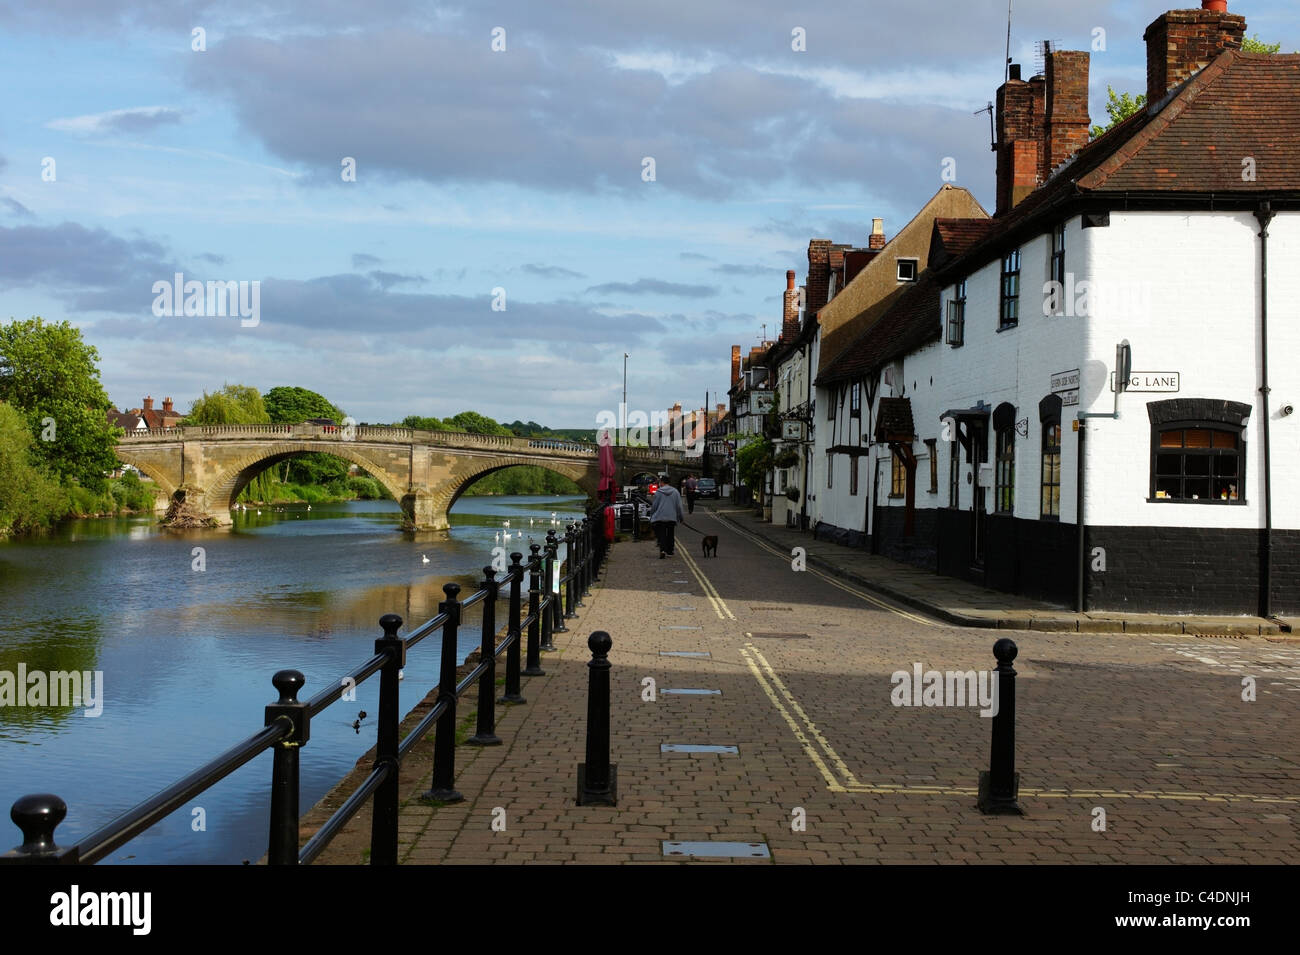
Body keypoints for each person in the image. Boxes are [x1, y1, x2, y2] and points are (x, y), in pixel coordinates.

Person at [649, 473, 684, 558]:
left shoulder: (658, 492)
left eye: (660, 482)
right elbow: (679, 506)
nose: (659, 484)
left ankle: (663, 550)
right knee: (670, 534)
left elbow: (655, 506)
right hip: (672, 517)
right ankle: (670, 551)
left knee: (662, 534)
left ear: (662, 482)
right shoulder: (675, 492)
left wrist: (652, 515)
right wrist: (681, 517)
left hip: (660, 517)